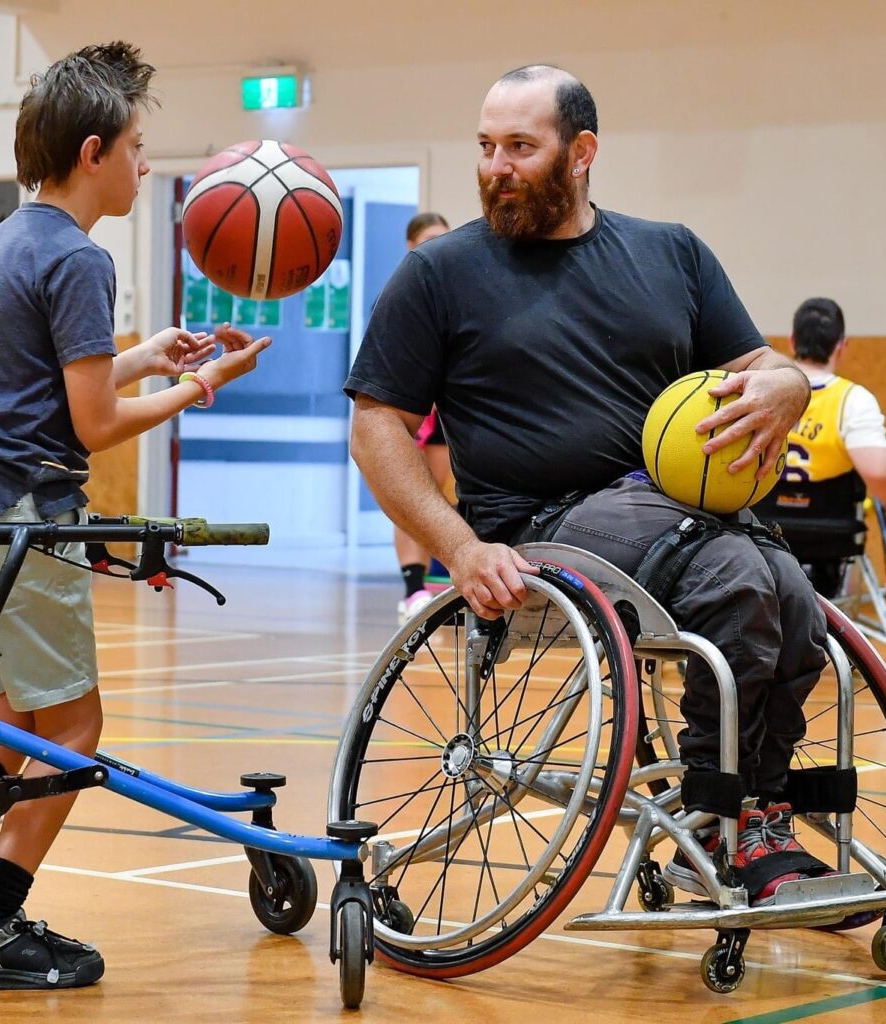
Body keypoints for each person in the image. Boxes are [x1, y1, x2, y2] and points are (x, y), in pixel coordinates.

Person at [345, 64, 833, 903]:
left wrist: (788, 384)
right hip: (543, 533)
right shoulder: (439, 275)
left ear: (581, 153)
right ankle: (717, 822)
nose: (496, 166)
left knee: (793, 593)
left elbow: (760, 365)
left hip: (672, 519)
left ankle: (754, 811)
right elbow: (375, 427)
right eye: (487, 147)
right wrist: (458, 548)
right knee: (741, 575)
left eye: (521, 148)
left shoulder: (670, 251)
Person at [0, 41, 269, 991]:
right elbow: (94, 424)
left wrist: (150, 353)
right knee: (71, 728)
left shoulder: (9, 237)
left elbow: (41, 386)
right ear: (94, 151)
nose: (147, 167)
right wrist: (200, 382)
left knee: (8, 711)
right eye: (139, 148)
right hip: (14, 512)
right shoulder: (77, 258)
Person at [759, 298, 886, 597]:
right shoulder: (853, 400)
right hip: (831, 533)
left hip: (763, 527)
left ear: (791, 341)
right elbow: (878, 471)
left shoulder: (763, 389)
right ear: (841, 346)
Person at [393, 211, 454, 621]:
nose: (438, 246)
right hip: (417, 403)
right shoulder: (402, 291)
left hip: (452, 406)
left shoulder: (460, 283)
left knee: (450, 498)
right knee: (414, 496)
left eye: (443, 239)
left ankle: (454, 584)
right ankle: (413, 589)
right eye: (430, 239)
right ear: (412, 246)